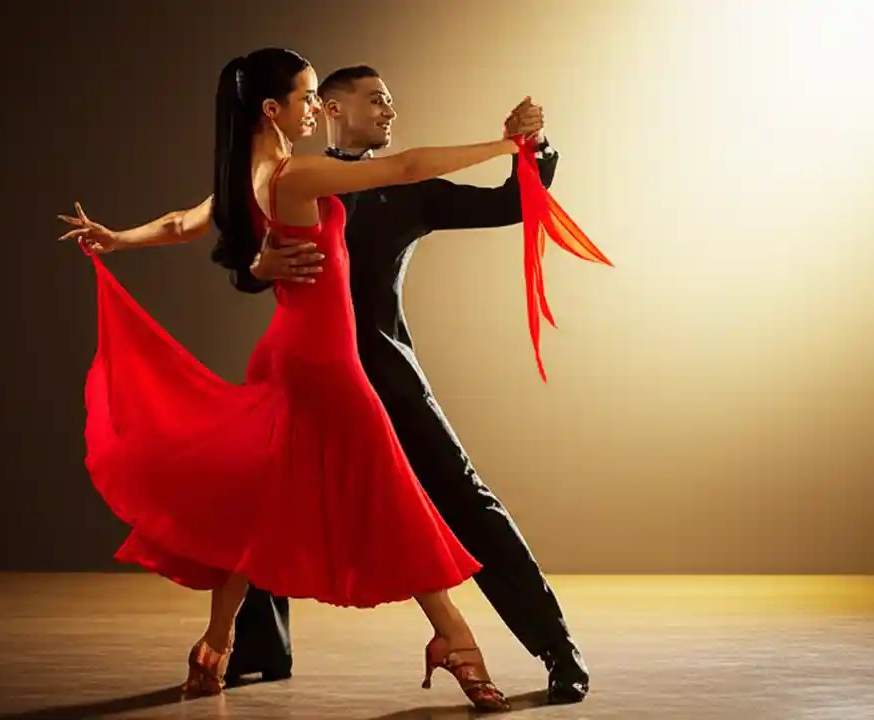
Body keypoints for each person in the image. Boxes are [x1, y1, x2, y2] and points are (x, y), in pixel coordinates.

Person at [57, 47, 549, 711]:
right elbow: (404, 167)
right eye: (308, 94)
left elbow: (180, 224)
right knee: (392, 499)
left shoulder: (243, 175)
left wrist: (118, 238)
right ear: (272, 108)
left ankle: (215, 648)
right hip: (325, 366)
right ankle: (456, 640)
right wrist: (502, 144)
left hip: (286, 356)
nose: (315, 106)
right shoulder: (292, 176)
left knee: (256, 506)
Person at [225, 66, 596, 703]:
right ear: (333, 108)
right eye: (375, 100)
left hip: (388, 377)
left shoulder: (409, 190)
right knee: (264, 499)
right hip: (314, 378)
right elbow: (244, 252)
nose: (390, 110)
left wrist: (532, 149)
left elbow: (509, 204)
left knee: (469, 504)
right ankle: (262, 649)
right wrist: (255, 269)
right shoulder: (299, 179)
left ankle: (557, 649)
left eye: (393, 100)